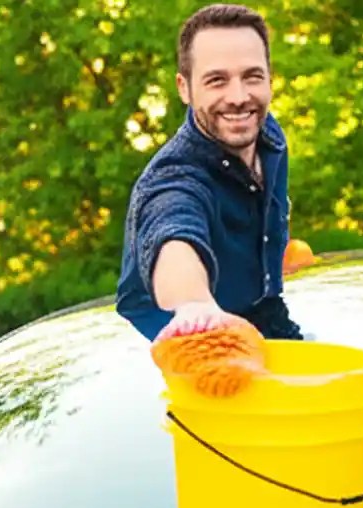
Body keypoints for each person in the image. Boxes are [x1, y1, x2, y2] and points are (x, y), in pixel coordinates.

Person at [115, 4, 304, 343]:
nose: (239, 97)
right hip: (192, 342)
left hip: (264, 315)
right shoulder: (174, 176)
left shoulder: (269, 138)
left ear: (270, 79)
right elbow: (172, 230)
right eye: (217, 80)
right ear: (184, 88)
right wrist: (193, 304)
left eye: (252, 76)